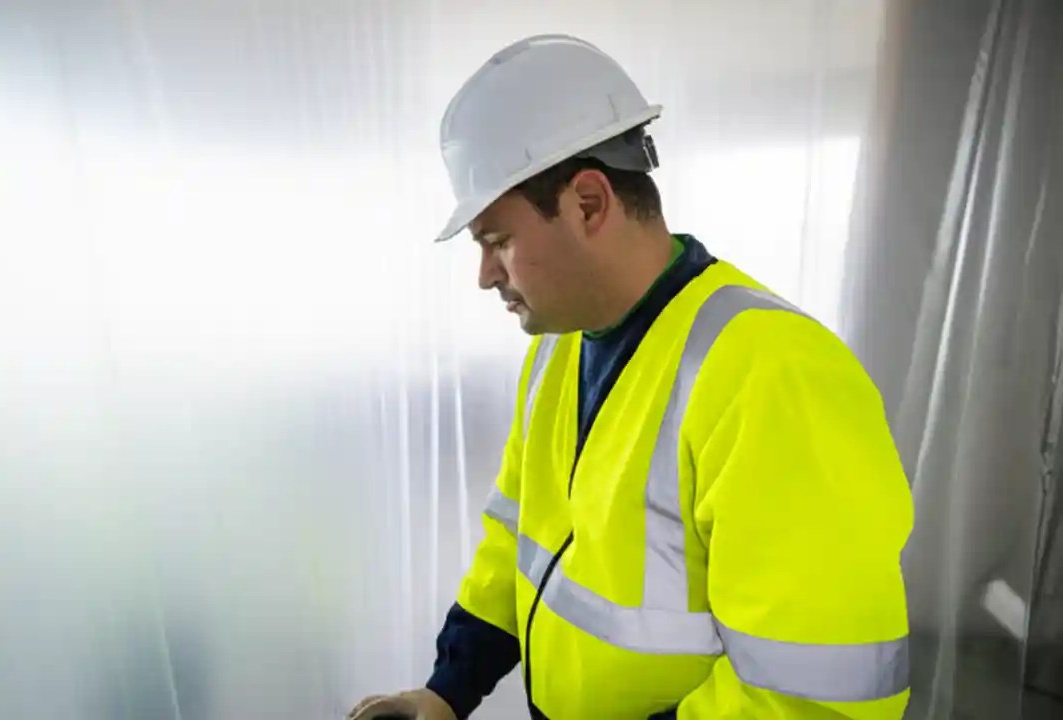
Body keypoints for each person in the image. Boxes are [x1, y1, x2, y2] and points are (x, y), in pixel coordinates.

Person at [349, 34, 912, 720]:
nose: (485, 275)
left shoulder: (774, 373)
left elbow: (810, 700)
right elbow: (520, 537)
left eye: (498, 241)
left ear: (588, 203)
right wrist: (447, 690)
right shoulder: (562, 348)